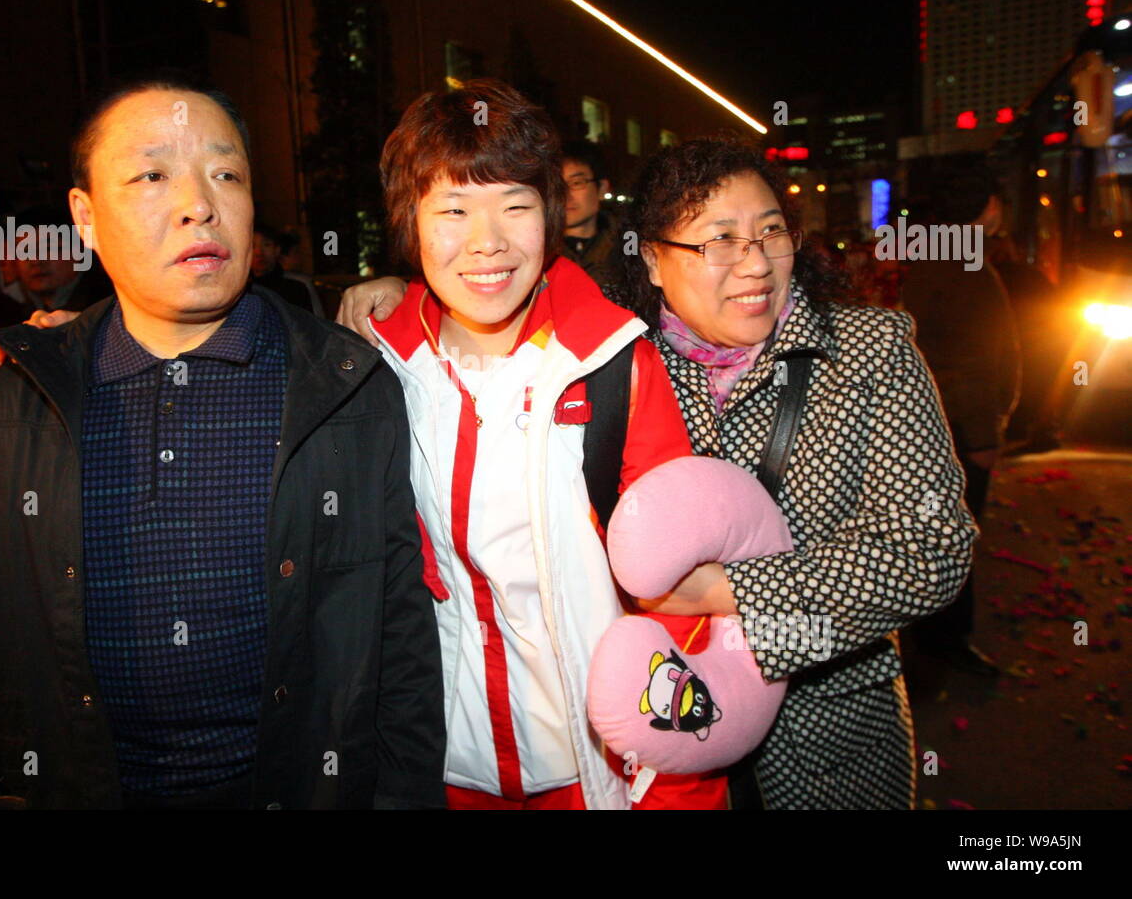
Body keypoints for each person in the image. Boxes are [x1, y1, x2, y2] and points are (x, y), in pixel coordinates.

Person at [343, 135, 978, 809]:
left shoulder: (865, 354)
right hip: (655, 734)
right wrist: (399, 292)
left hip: (822, 742)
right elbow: (510, 289)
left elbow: (930, 552)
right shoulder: (619, 360)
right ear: (652, 258)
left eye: (771, 233)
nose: (754, 262)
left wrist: (722, 591)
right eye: (718, 241)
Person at [0, 73, 445, 810]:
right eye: (152, 175)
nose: (199, 206)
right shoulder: (21, 393)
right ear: (83, 215)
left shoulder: (345, 382)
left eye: (227, 174)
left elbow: (399, 634)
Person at [901, 167, 1022, 677]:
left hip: (939, 416)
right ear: (988, 206)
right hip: (960, 421)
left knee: (937, 532)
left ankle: (934, 637)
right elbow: (978, 358)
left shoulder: (934, 254)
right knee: (956, 538)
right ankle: (948, 644)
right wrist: (983, 433)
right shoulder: (964, 262)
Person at [561, 139, 625, 291]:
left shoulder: (628, 242)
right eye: (558, 186)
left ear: (602, 188)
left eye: (577, 183)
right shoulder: (537, 250)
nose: (566, 195)